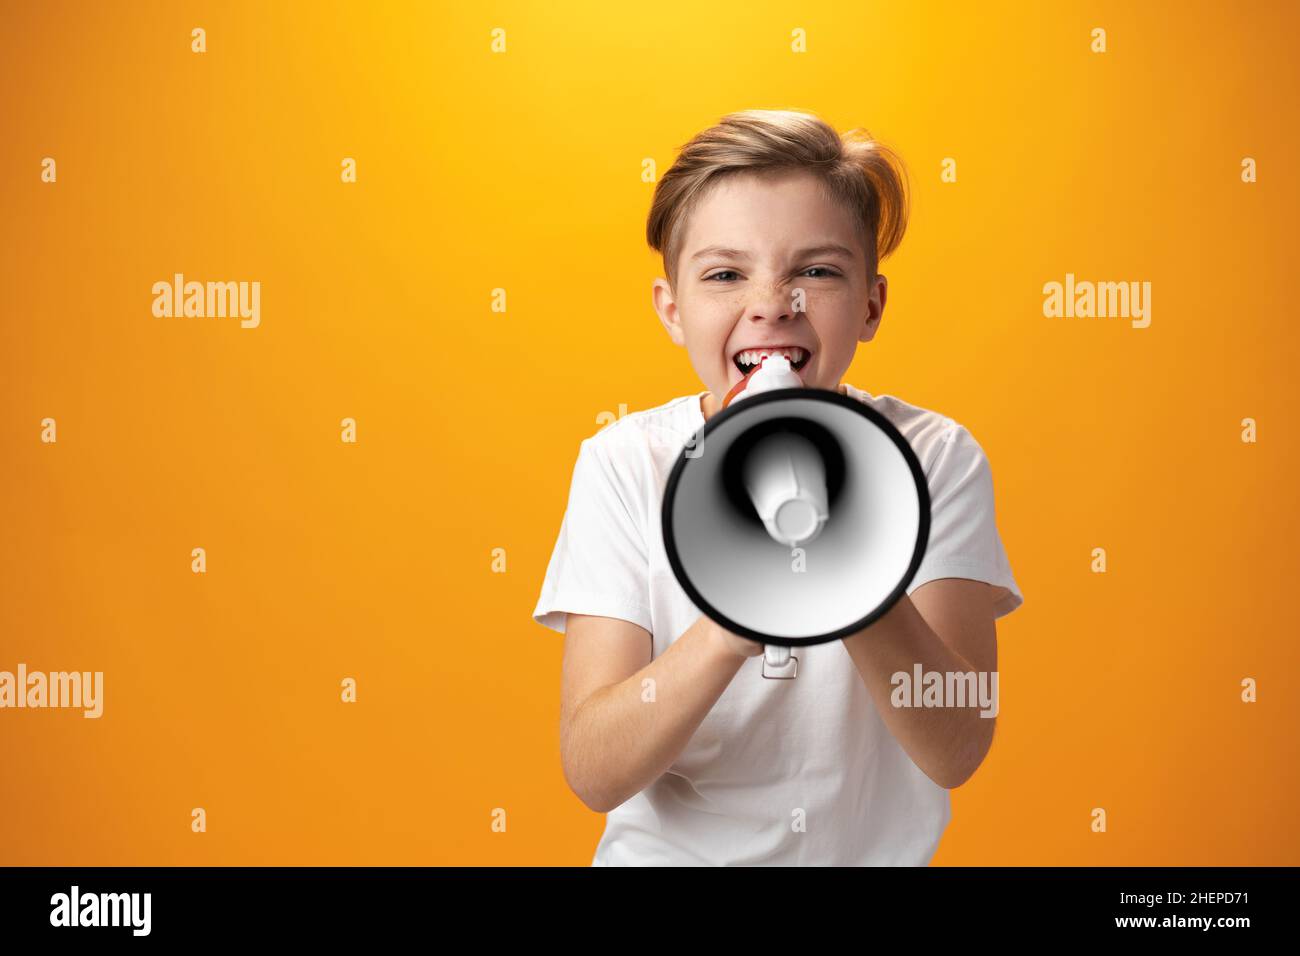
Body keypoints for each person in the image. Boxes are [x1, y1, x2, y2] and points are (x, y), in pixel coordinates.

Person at [532, 108, 1023, 865]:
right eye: (725, 274)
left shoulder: (934, 458)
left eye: (817, 271)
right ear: (672, 309)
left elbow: (956, 746)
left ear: (871, 305)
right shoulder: (625, 463)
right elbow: (594, 769)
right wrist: (734, 620)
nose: (771, 303)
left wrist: (846, 569)